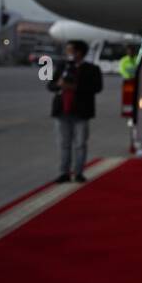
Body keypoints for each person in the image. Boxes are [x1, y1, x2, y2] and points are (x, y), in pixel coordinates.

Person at [48, 39, 103, 183]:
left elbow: (97, 87)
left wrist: (75, 87)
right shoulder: (62, 66)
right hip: (62, 110)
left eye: (70, 50)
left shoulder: (92, 69)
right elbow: (50, 85)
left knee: (80, 144)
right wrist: (59, 85)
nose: (67, 53)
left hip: (81, 112)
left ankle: (78, 172)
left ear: (79, 53)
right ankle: (64, 172)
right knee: (63, 144)